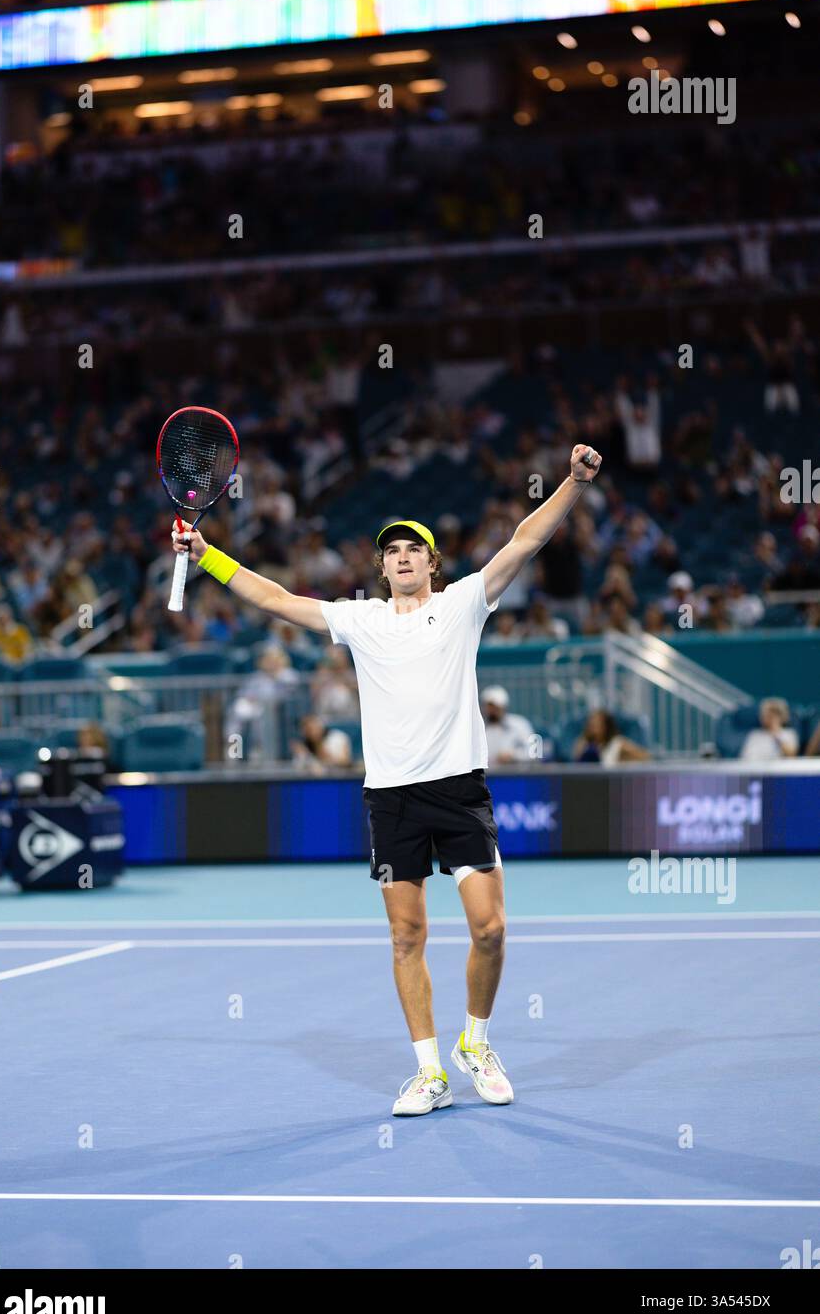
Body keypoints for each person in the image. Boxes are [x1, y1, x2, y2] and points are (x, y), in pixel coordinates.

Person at [172, 442, 603, 1115]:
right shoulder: (359, 619)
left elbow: (523, 542)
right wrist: (206, 556)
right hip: (392, 798)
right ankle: (429, 1072)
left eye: (414, 550)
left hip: (459, 789)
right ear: (382, 566)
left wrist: (574, 485)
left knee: (489, 929)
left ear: (432, 563)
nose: (402, 557)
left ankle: (476, 1043)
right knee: (407, 937)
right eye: (392, 551)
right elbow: (278, 598)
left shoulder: (463, 604)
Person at [573, 709, 650, 766]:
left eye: (596, 724)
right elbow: (576, 763)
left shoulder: (618, 743)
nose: (592, 727)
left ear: (605, 726)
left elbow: (645, 757)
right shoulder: (585, 744)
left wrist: (624, 763)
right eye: (590, 724)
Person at [480, 686, 535, 764]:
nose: (492, 710)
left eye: (495, 707)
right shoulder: (478, 729)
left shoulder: (520, 724)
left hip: (516, 774)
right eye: (489, 706)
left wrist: (513, 755)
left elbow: (534, 752)